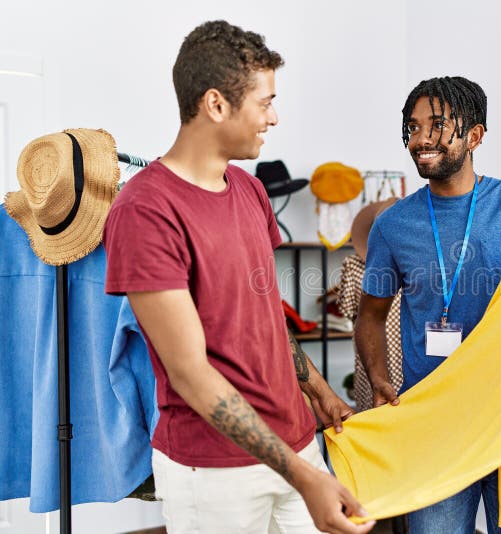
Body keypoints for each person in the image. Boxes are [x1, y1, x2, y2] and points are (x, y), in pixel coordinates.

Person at [103, 20, 373, 534]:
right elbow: (189, 373)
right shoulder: (145, 210)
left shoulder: (248, 191)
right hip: (214, 470)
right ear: (216, 105)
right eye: (264, 102)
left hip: (296, 443)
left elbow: (265, 309)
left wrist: (316, 389)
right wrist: (300, 473)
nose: (274, 116)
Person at [355, 76, 501, 534]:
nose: (421, 139)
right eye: (413, 126)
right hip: (435, 429)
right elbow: (371, 314)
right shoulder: (393, 225)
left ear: (475, 136)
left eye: (437, 125)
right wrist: (380, 381)